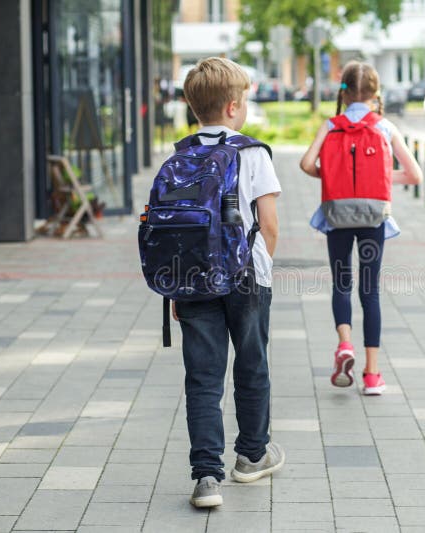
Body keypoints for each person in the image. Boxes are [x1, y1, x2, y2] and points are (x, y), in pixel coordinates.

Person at [172, 57, 284, 508]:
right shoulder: (252, 153)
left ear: (191, 106)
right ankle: (252, 456)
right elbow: (269, 224)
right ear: (235, 106)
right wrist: (259, 268)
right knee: (252, 364)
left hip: (193, 278)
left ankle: (206, 478)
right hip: (246, 278)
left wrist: (176, 286)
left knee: (202, 377)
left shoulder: (179, 155)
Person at [299, 61, 423, 396]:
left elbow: (306, 164)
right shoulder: (384, 127)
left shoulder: (331, 125)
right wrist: (382, 180)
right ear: (374, 92)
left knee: (342, 283)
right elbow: (414, 175)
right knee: (370, 292)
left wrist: (333, 178)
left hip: (337, 216)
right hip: (372, 219)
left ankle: (344, 345)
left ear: (344, 91)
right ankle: (371, 376)